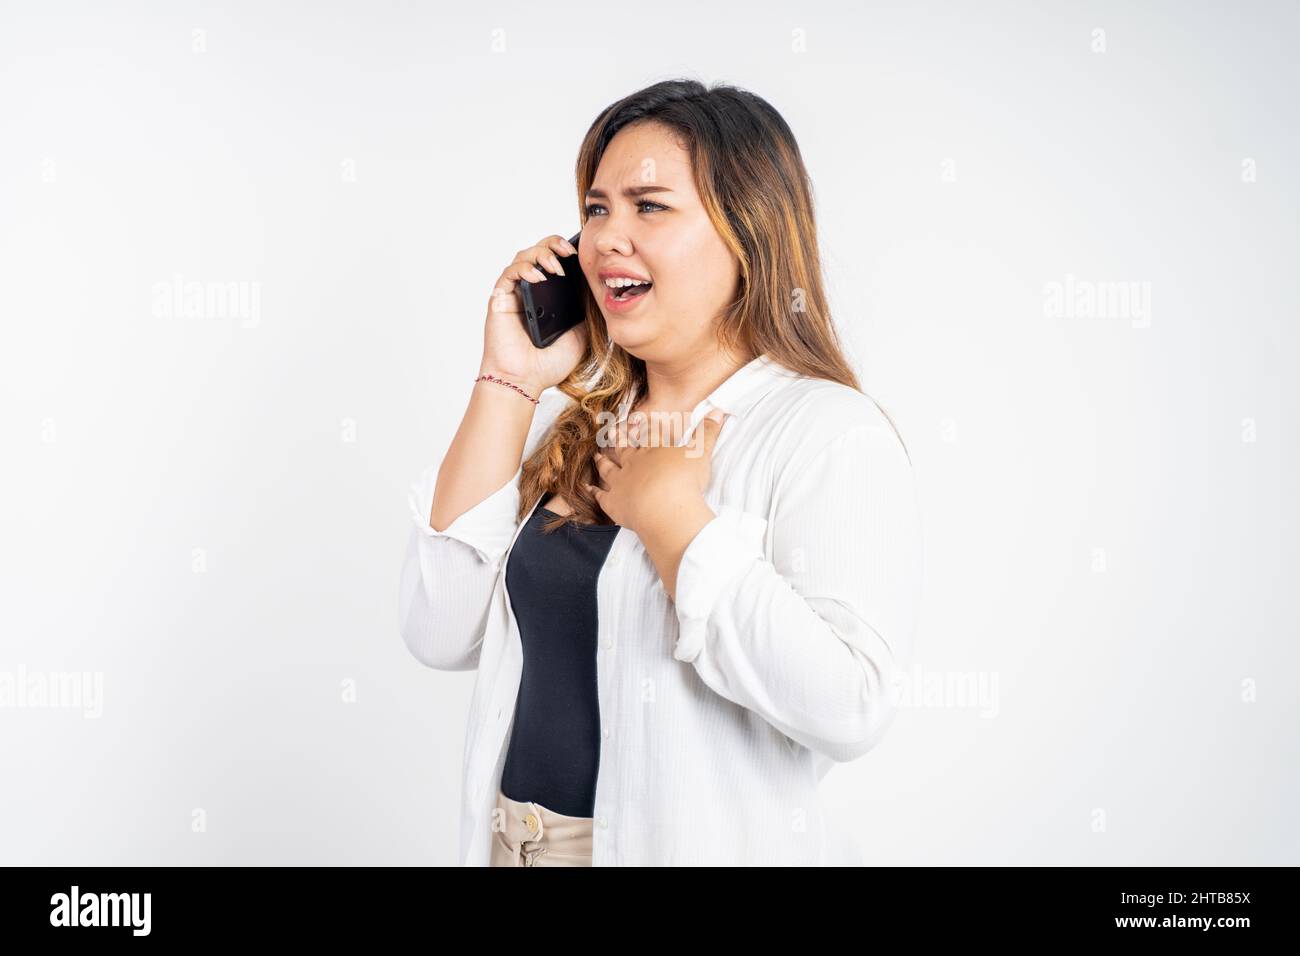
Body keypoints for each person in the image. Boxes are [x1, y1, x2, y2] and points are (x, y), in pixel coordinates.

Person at [399, 78, 922, 866]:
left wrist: (678, 523)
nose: (607, 238)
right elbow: (438, 632)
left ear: (749, 235)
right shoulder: (572, 427)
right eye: (597, 207)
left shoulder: (826, 432)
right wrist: (507, 379)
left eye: (650, 206)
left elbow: (850, 706)